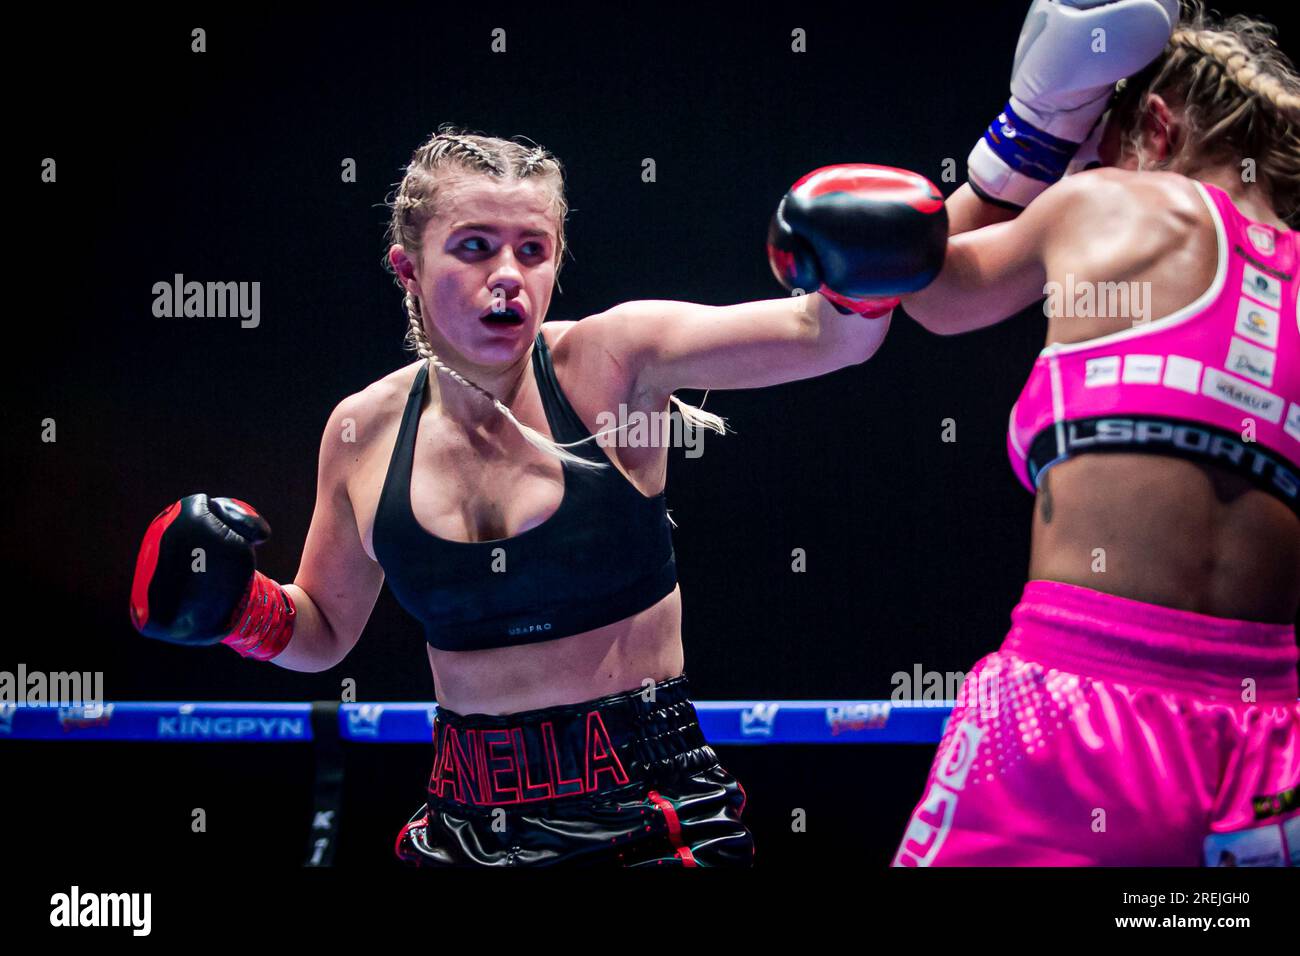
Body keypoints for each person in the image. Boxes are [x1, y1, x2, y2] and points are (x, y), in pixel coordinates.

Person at [129, 128, 946, 866]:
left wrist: (860, 279)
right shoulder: (362, 429)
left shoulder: (615, 362)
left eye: (533, 249)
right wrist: (239, 612)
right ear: (406, 268)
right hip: (462, 824)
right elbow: (325, 629)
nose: (508, 277)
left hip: (647, 811)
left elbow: (827, 338)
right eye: (476, 247)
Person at [893, 0, 1300, 865]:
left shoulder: (1111, 200)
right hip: (1278, 735)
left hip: (1077, 699)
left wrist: (1031, 139)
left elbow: (928, 288)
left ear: (1153, 127)